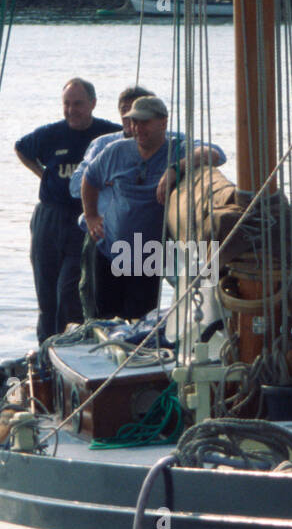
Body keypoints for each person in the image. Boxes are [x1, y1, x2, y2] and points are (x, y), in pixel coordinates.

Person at [81, 94, 225, 321]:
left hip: (148, 256)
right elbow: (90, 179)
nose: (137, 127)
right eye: (133, 121)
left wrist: (175, 169)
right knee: (104, 320)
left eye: (144, 121)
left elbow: (215, 154)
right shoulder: (116, 151)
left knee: (139, 320)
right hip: (109, 251)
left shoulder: (176, 149)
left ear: (163, 122)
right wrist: (90, 215)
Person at [15, 79, 120, 342]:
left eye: (78, 104)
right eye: (67, 104)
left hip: (83, 218)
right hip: (49, 216)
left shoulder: (107, 135)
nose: (72, 110)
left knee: (69, 292)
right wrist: (43, 174)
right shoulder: (51, 134)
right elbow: (21, 148)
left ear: (93, 104)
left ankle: (70, 346)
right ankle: (44, 353)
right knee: (46, 294)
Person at [68, 85, 154, 319]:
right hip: (103, 236)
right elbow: (76, 185)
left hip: (142, 242)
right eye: (125, 112)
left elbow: (214, 151)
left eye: (139, 115)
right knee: (99, 309)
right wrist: (113, 179)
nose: (131, 120)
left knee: (141, 312)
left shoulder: (162, 144)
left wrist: (179, 168)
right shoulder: (105, 145)